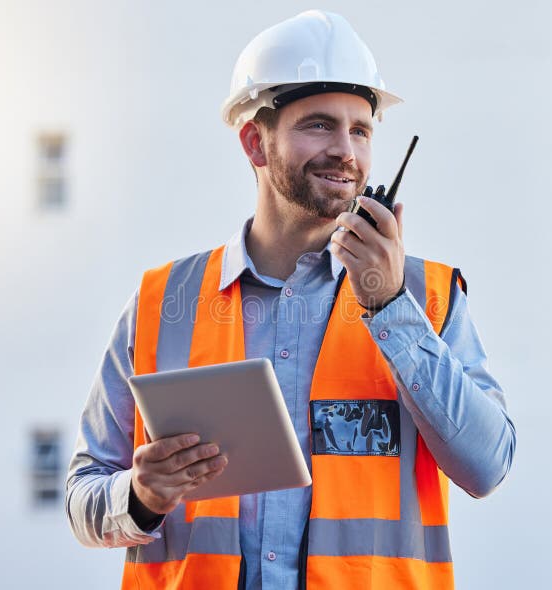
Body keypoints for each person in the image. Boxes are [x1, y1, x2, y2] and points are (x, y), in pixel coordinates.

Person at [66, 10, 516, 590]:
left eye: (360, 130)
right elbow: (84, 499)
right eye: (319, 126)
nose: (345, 151)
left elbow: (488, 468)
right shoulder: (163, 303)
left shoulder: (427, 299)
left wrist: (389, 309)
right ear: (256, 141)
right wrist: (141, 495)